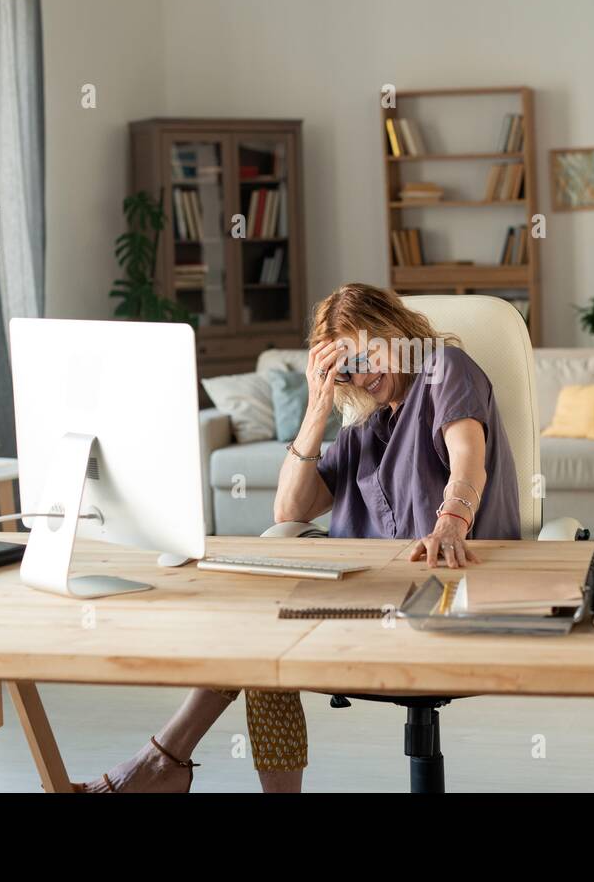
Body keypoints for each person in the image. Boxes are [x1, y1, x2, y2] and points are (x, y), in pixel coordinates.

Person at [77, 283, 520, 792]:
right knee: (258, 625)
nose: (363, 372)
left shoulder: (444, 366)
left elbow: (468, 457)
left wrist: (450, 523)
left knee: (257, 629)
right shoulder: (363, 425)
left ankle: (162, 763)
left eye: (368, 352)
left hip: (445, 587)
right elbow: (289, 511)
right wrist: (317, 407)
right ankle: (166, 762)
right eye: (345, 366)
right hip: (371, 594)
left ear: (397, 334)